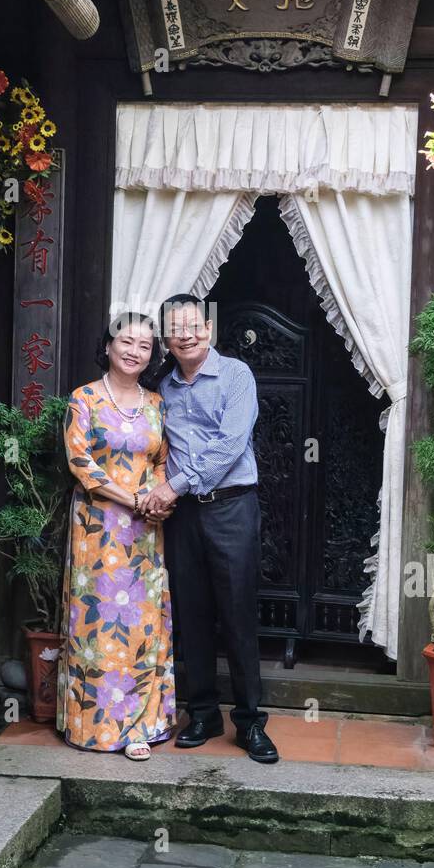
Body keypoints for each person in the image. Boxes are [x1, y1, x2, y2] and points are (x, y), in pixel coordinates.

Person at [139, 294, 279, 764]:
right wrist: (155, 493)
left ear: (209, 328)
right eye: (176, 327)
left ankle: (250, 721)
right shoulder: (162, 387)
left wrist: (171, 487)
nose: (187, 333)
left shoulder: (237, 375)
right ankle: (202, 713)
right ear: (166, 338)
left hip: (231, 508)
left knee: (237, 613)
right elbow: (154, 448)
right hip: (183, 516)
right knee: (191, 614)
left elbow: (229, 446)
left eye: (195, 324)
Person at [56, 314, 177, 761]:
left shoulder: (156, 403)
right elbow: (80, 463)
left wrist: (163, 498)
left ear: (151, 356)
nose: (134, 350)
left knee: (141, 624)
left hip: (147, 529)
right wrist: (131, 498)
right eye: (126, 341)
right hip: (98, 527)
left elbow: (163, 461)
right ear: (108, 345)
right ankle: (91, 724)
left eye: (145, 346)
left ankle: (141, 724)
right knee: (96, 620)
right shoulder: (83, 398)